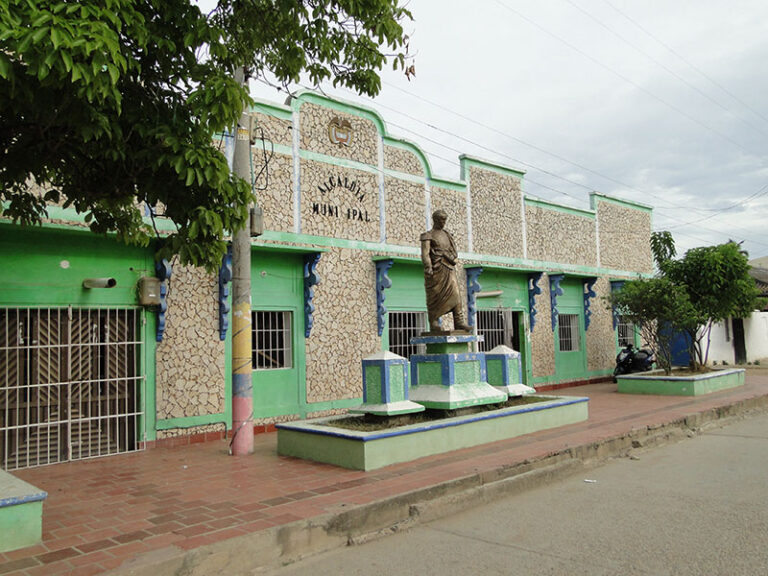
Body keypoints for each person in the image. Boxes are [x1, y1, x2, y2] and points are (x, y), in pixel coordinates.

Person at [420, 210, 470, 332]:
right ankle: (434, 322)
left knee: (456, 294)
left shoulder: (448, 235)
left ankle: (459, 321)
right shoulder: (428, 235)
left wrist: (450, 257)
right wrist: (428, 267)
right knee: (435, 296)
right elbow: (425, 254)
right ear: (435, 220)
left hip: (449, 268)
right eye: (441, 220)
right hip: (436, 270)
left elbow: (454, 252)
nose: (443, 222)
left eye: (444, 220)